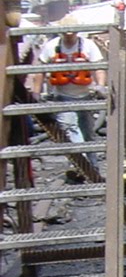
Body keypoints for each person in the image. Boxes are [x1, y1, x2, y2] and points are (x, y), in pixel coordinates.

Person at [30, 29, 106, 179]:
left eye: (72, 33)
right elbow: (40, 70)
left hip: (85, 95)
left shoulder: (88, 45)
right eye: (66, 33)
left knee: (88, 133)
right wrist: (36, 93)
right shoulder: (51, 46)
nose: (69, 36)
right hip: (62, 96)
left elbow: (99, 67)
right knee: (70, 128)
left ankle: (93, 167)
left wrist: (101, 86)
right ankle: (83, 167)